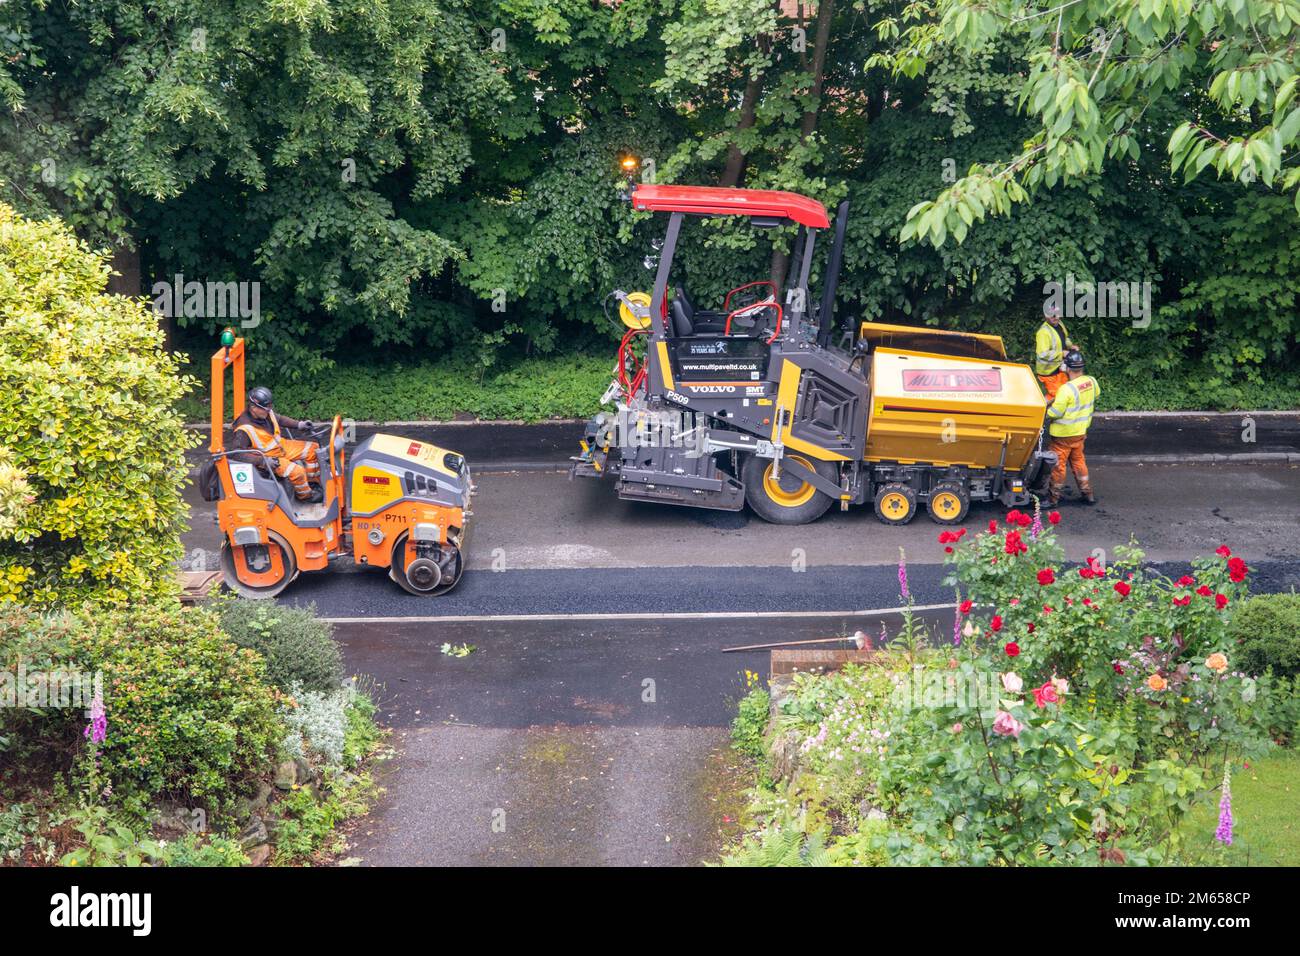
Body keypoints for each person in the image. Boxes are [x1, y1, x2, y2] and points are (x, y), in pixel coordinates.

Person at [230, 386, 323, 502]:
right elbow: (237, 454)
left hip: (281, 446)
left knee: (314, 449)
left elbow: (280, 419)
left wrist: (299, 425)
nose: (269, 411)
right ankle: (305, 496)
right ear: (253, 407)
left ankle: (311, 483)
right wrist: (263, 461)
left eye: (269, 407)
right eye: (265, 408)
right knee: (298, 472)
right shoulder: (243, 429)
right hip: (269, 458)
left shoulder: (265, 413)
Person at [1045, 349, 1097, 506]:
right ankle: (1088, 494)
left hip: (1063, 436)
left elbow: (1055, 413)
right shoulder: (1092, 382)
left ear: (1066, 367)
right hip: (1080, 432)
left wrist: (1045, 411)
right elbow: (1088, 398)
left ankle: (1053, 498)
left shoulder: (1066, 389)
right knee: (1079, 462)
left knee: (1058, 466)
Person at [1034, 301, 1075, 401]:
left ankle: (1057, 412)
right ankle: (1042, 411)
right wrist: (1062, 353)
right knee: (1056, 395)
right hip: (1048, 371)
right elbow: (1043, 354)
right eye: (1052, 315)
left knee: (1063, 391)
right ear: (1046, 315)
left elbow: (1064, 339)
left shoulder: (1059, 324)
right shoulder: (1043, 332)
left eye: (1058, 314)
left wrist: (1071, 346)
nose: (1056, 317)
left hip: (1058, 367)